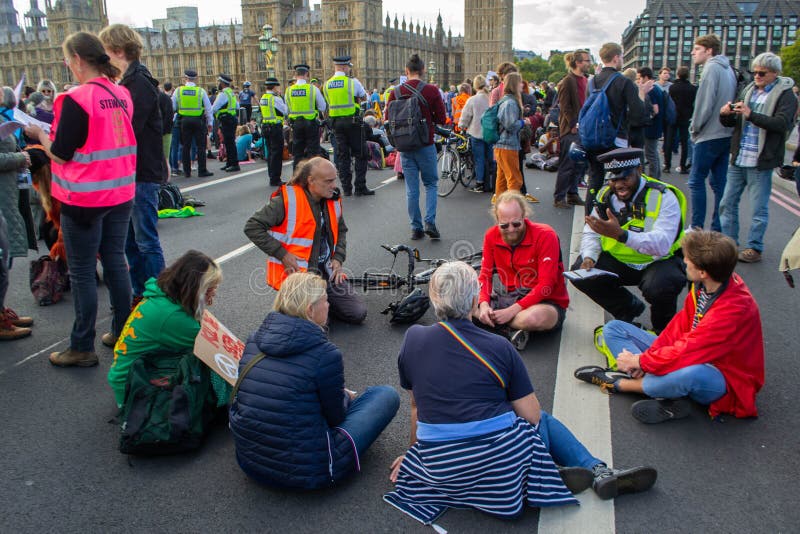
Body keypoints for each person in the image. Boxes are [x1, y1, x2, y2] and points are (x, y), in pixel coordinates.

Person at [386, 262, 656, 525]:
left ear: (435, 298)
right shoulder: (499, 346)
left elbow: (416, 407)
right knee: (541, 420)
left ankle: (546, 473)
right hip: (500, 462)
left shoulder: (413, 339)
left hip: (441, 465)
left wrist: (413, 452)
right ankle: (594, 470)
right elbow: (532, 416)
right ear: (475, 299)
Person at [24, 31, 136, 367]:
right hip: (121, 193)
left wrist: (39, 134)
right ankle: (122, 332)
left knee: (84, 272)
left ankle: (82, 346)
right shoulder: (120, 93)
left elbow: (60, 153)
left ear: (76, 60)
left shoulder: (76, 98)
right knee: (116, 262)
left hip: (85, 199)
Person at [230, 271, 399, 490]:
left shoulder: (253, 340)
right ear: (310, 310)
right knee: (385, 395)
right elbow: (336, 416)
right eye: (326, 300)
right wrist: (345, 396)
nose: (329, 305)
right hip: (311, 471)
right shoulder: (325, 354)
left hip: (251, 463)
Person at [575, 231, 765, 425]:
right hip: (692, 354)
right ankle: (663, 390)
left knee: (691, 374)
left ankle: (620, 384)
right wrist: (645, 361)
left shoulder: (733, 309)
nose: (685, 261)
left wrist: (640, 361)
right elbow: (678, 329)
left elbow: (691, 349)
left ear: (702, 272)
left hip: (721, 375)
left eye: (688, 259)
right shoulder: (707, 283)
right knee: (614, 329)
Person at [99, 24, 166, 348]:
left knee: (145, 240)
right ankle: (143, 298)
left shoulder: (137, 83)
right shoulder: (128, 82)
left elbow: (126, 130)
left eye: (106, 52)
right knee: (129, 243)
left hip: (140, 174)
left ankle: (161, 302)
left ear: (118, 50)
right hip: (131, 173)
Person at [570, 148, 687, 333]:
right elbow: (592, 232)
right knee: (581, 273)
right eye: (614, 179)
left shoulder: (663, 196)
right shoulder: (605, 196)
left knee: (660, 286)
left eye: (625, 178)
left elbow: (662, 244)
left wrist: (622, 235)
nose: (619, 185)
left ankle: (663, 332)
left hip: (658, 261)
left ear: (639, 170)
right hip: (622, 261)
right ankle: (628, 309)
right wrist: (589, 256)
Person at [244, 157, 367, 324]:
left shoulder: (332, 199)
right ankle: (298, 305)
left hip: (327, 273)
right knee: (319, 324)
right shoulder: (287, 200)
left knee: (358, 313)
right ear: (311, 180)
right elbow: (252, 226)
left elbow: (341, 230)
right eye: (328, 181)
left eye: (334, 179)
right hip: (300, 277)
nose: (334, 185)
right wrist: (282, 254)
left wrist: (338, 257)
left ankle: (316, 304)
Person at [107, 250, 230, 408]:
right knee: (213, 371)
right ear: (195, 288)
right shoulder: (174, 318)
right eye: (210, 289)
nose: (214, 293)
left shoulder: (161, 295)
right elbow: (215, 351)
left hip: (126, 377)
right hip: (133, 390)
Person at [718, 53, 798, 264]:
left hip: (761, 160)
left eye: (762, 73)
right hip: (739, 156)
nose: (757, 76)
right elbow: (734, 123)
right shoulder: (748, 90)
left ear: (775, 73)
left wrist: (750, 114)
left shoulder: (786, 95)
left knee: (758, 209)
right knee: (727, 203)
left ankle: (754, 247)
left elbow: (782, 124)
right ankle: (729, 245)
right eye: (754, 72)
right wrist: (725, 115)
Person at [476, 191, 569, 351]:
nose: (511, 229)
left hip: (546, 302)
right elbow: (485, 276)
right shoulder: (491, 236)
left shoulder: (546, 235)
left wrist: (511, 311)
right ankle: (509, 327)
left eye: (516, 224)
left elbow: (547, 284)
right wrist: (483, 304)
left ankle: (493, 324)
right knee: (461, 300)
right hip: (511, 297)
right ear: (497, 220)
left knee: (533, 318)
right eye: (504, 225)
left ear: (524, 216)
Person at [385, 54, 446, 241]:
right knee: (431, 184)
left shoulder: (395, 92)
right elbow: (441, 118)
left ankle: (416, 228)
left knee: (412, 189)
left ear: (406, 71)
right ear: (423, 70)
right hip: (425, 144)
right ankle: (430, 222)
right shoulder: (431, 90)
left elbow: (387, 118)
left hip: (404, 146)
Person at [582, 43, 648, 215]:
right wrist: (642, 95)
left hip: (593, 138)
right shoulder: (624, 82)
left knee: (595, 179)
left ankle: (590, 217)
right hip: (616, 140)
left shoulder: (592, 82)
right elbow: (638, 115)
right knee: (619, 180)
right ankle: (615, 217)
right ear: (616, 57)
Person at [688, 34, 737, 231]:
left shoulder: (711, 68)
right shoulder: (728, 69)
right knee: (719, 184)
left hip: (708, 134)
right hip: (725, 133)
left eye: (697, 49)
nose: (693, 53)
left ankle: (697, 228)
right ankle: (718, 228)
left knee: (696, 181)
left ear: (709, 51)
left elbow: (704, 104)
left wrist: (694, 128)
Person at [0, 87, 35, 341]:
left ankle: (1, 309)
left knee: (5, 257)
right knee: (2, 258)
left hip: (8, 194)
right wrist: (19, 158)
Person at [323, 56, 374, 196]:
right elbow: (365, 97)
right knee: (361, 154)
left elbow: (328, 103)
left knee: (343, 155)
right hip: (353, 123)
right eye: (348, 67)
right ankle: (360, 187)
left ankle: (346, 188)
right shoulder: (352, 82)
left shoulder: (327, 84)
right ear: (344, 67)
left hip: (336, 124)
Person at [554, 50, 590, 209]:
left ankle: (572, 193)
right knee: (567, 164)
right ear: (578, 63)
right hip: (571, 129)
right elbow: (565, 106)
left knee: (579, 164)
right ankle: (559, 197)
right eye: (586, 61)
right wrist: (573, 124)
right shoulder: (567, 81)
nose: (589, 63)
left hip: (583, 128)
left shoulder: (585, 80)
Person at [173, 69, 214, 178]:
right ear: (195, 79)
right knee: (201, 146)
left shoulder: (178, 91)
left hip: (184, 121)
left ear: (185, 78)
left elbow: (172, 106)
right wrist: (210, 123)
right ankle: (202, 170)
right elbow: (208, 109)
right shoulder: (200, 91)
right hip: (198, 121)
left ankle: (187, 172)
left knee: (185, 146)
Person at [285, 64, 327, 168]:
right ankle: (311, 174)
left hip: (296, 124)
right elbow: (322, 107)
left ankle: (297, 174)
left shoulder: (289, 90)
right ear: (307, 74)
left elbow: (287, 110)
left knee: (297, 153)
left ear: (295, 75)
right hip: (311, 123)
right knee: (313, 152)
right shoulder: (313, 89)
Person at [459, 74, 493, 193]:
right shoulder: (491, 98)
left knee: (479, 159)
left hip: (476, 132)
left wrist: (462, 126)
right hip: (490, 133)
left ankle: (480, 183)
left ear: (475, 86)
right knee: (491, 158)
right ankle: (493, 181)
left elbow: (465, 117)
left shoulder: (473, 99)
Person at [494, 72, 525, 197]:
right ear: (515, 84)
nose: (522, 85)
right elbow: (510, 125)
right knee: (514, 179)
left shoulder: (505, 101)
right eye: (520, 82)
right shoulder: (510, 103)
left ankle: (500, 205)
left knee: (501, 179)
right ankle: (513, 204)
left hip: (501, 144)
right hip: (507, 144)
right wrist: (523, 122)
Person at [637, 67, 665, 180]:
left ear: (645, 77)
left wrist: (646, 117)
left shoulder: (651, 90)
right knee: (653, 153)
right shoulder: (657, 88)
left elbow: (655, 110)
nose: (639, 81)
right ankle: (656, 176)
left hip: (651, 127)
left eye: (639, 78)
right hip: (656, 126)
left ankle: (653, 177)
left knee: (650, 154)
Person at [258, 77, 287, 187]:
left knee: (270, 153)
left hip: (266, 127)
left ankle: (271, 176)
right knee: (277, 153)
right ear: (275, 87)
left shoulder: (263, 97)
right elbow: (285, 111)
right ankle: (275, 178)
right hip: (275, 127)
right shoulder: (276, 99)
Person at [669, 66, 697, 174]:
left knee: (669, 139)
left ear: (678, 74)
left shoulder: (672, 87)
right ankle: (683, 165)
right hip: (686, 116)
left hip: (673, 115)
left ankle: (667, 164)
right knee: (685, 142)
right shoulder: (692, 88)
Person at [213, 74, 240, 172]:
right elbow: (237, 106)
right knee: (229, 142)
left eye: (219, 82)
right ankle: (230, 163)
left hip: (226, 120)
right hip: (232, 118)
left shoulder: (223, 94)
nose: (218, 84)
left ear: (222, 83)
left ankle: (234, 164)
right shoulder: (231, 93)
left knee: (229, 142)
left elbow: (214, 108)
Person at [157, 81, 173, 176]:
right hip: (167, 132)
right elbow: (170, 116)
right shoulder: (167, 98)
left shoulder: (154, 97)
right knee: (166, 159)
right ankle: (167, 180)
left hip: (158, 132)